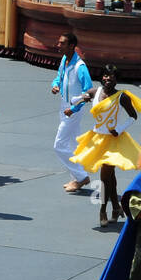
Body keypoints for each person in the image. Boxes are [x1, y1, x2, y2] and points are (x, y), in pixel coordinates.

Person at [70, 63, 141, 225]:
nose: (108, 79)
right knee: (110, 177)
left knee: (104, 176)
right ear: (102, 77)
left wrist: (119, 129)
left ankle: (102, 210)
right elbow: (74, 100)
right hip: (97, 139)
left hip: (114, 141)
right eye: (106, 75)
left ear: (116, 79)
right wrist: (82, 98)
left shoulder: (122, 97)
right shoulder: (95, 92)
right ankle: (116, 207)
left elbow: (133, 116)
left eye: (112, 76)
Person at [51, 32, 93, 193]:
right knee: (74, 144)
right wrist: (55, 85)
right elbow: (59, 77)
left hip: (73, 110)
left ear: (71, 46)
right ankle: (76, 177)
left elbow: (88, 93)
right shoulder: (64, 60)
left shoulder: (80, 67)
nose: (58, 46)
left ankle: (81, 177)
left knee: (59, 145)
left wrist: (73, 109)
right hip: (64, 106)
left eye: (62, 43)